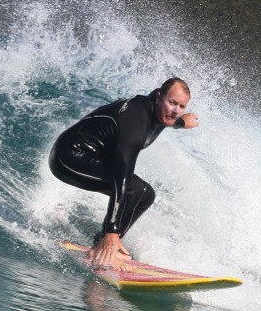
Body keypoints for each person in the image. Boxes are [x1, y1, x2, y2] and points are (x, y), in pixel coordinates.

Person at [49, 77, 200, 269]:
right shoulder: (135, 122)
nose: (176, 110)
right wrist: (112, 231)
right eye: (172, 102)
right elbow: (122, 178)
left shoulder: (159, 111)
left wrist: (180, 123)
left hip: (95, 157)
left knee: (146, 194)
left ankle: (102, 245)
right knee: (134, 189)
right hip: (69, 156)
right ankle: (106, 245)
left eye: (181, 106)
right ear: (159, 96)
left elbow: (168, 118)